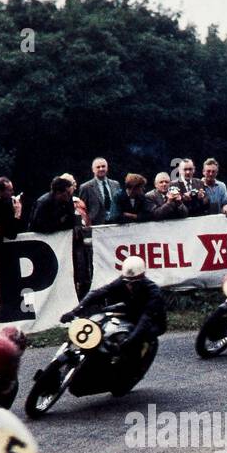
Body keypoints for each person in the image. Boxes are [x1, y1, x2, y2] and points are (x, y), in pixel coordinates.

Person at [58, 254, 165, 385]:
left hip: (153, 321)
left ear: (142, 278)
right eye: (127, 282)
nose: (130, 286)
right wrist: (74, 311)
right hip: (130, 312)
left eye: (135, 283)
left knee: (131, 344)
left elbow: (145, 319)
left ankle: (127, 375)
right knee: (102, 317)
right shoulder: (122, 281)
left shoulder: (154, 292)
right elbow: (98, 293)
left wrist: (130, 340)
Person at [78, 157, 119, 226]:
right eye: (98, 167)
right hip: (95, 225)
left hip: (115, 223)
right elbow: (82, 210)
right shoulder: (85, 187)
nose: (101, 169)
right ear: (93, 170)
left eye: (103, 166)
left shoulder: (116, 184)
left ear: (107, 168)